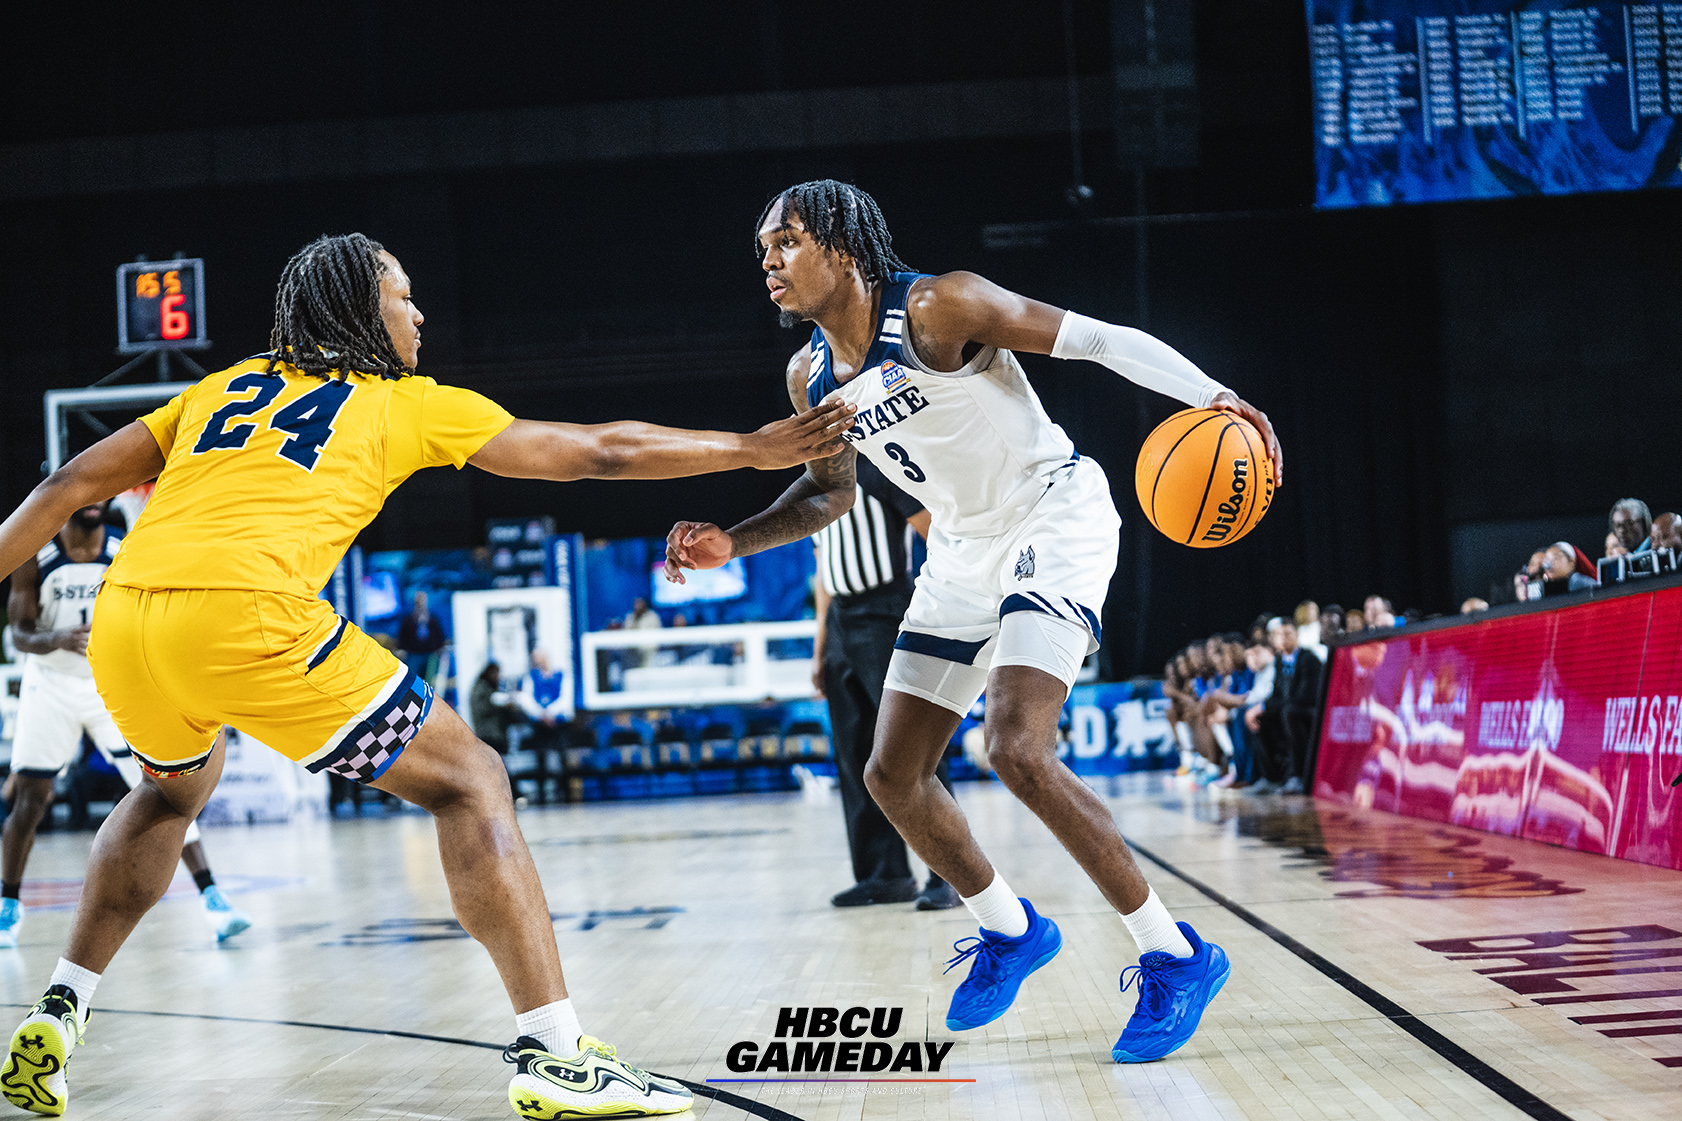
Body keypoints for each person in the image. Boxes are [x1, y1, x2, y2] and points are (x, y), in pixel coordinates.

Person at [0, 233, 853, 1120]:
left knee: (170, 796)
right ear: (364, 310)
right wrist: (752, 447)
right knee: (471, 778)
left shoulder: (219, 389)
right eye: (404, 296)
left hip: (126, 622)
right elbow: (599, 451)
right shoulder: (403, 401)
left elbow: (64, 485)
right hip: (245, 614)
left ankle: (61, 1009)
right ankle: (558, 1054)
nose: (419, 313)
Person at [664, 180, 1281, 1063]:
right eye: (762, 246)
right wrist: (737, 539)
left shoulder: (937, 306)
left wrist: (1214, 396)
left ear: (843, 248)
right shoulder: (809, 374)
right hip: (959, 550)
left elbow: (1098, 341)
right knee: (892, 775)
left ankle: (1175, 956)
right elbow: (831, 491)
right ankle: (1009, 929)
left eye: (787, 240)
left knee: (1018, 749)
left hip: (1051, 515)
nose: (767, 259)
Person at [0, 503, 252, 949]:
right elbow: (19, 633)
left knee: (163, 788)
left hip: (107, 680)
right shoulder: (36, 553)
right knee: (31, 798)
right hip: (51, 683)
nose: (96, 501)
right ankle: (8, 905)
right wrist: (57, 638)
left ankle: (214, 898)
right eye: (88, 496)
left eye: (103, 496)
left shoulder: (123, 548)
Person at [810, 455, 957, 909]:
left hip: (886, 610)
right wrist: (819, 646)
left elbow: (934, 529)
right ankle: (884, 874)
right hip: (840, 620)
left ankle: (949, 873)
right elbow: (823, 570)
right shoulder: (812, 483)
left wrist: (947, 606)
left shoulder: (878, 466)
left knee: (914, 747)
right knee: (853, 750)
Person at [395, 590, 447, 681]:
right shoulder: (408, 620)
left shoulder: (432, 619)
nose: (420, 604)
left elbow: (439, 636)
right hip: (414, 654)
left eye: (422, 601)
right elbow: (402, 637)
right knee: (414, 679)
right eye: (418, 602)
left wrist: (440, 649)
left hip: (430, 654)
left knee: (430, 679)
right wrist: (401, 649)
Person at [469, 662, 519, 754]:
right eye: (497, 674)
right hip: (489, 735)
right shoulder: (481, 690)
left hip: (493, 734)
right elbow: (483, 709)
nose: (499, 677)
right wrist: (503, 706)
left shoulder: (485, 688)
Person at [516, 649, 569, 734]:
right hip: (538, 724)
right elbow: (526, 698)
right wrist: (541, 715)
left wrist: (550, 713)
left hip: (559, 723)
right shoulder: (531, 677)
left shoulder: (561, 676)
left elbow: (566, 698)